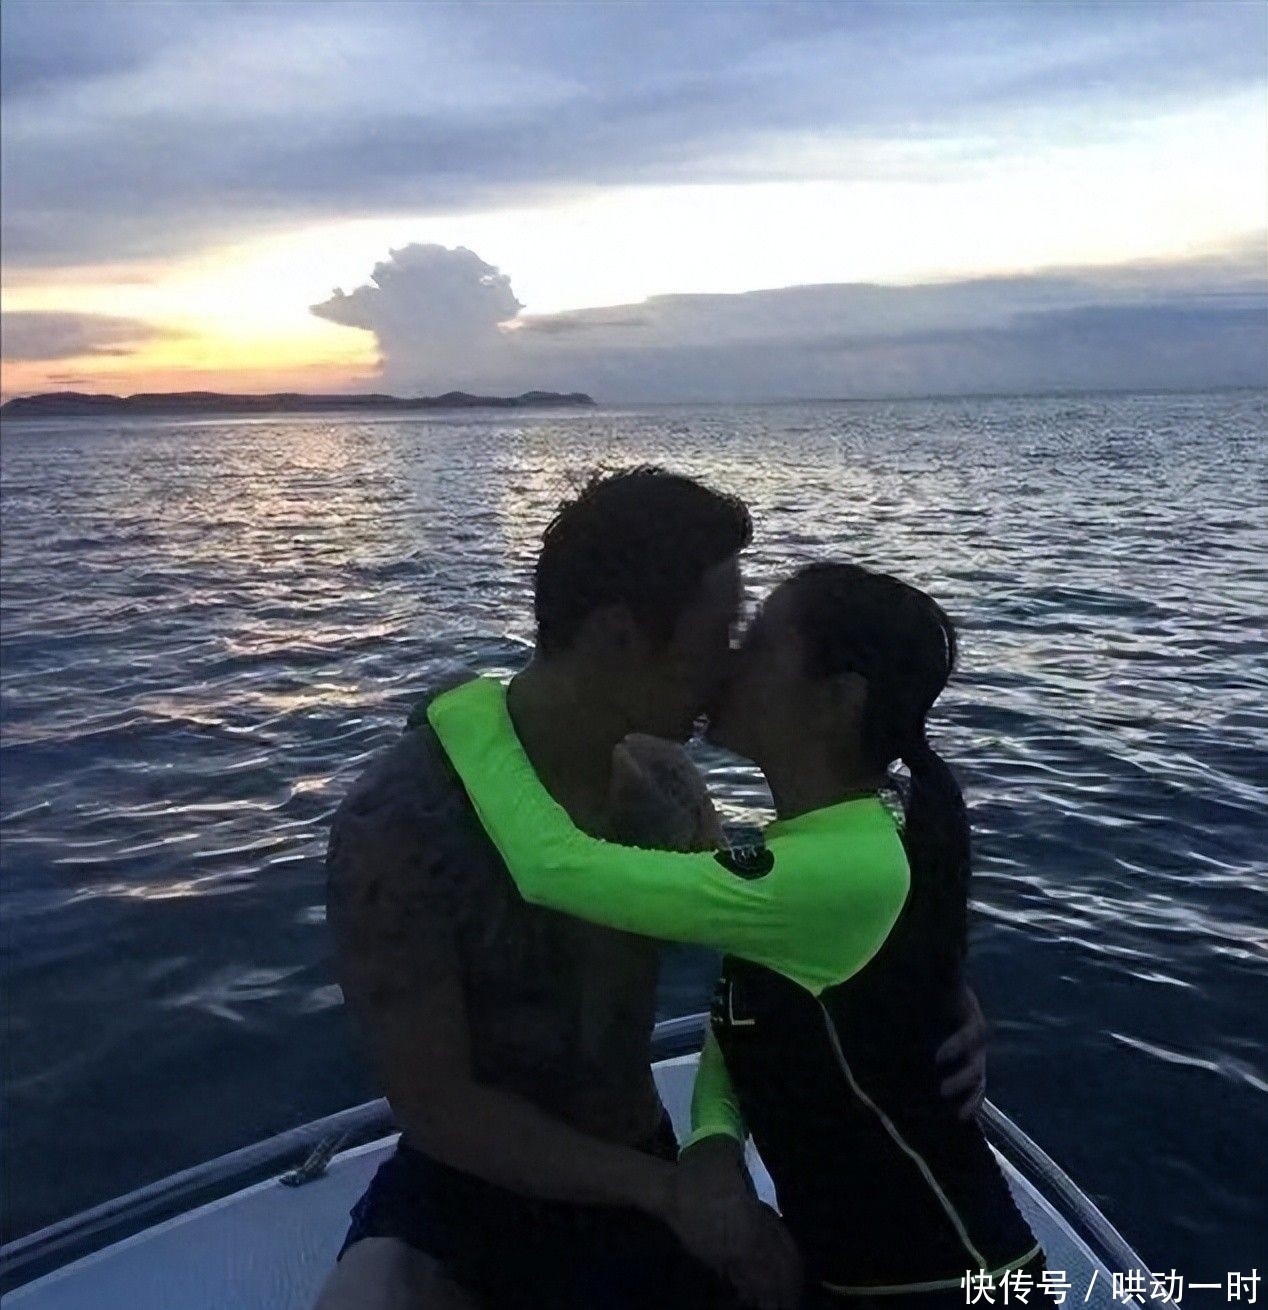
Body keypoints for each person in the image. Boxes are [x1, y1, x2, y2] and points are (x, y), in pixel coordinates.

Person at [313, 470, 992, 1310]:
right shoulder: (401, 823)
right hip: (467, 1194)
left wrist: (926, 993)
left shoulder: (666, 791)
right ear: (620, 637)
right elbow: (437, 1107)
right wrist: (669, 1192)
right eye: (721, 632)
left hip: (641, 1160)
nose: (733, 662)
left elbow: (781, 939)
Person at [424, 561, 1047, 1309]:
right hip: (859, 1278)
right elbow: (753, 1008)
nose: (728, 658)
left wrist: (468, 705)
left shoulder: (830, 873)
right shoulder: (827, 850)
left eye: (758, 643)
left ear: (838, 701)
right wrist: (715, 1137)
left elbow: (553, 868)